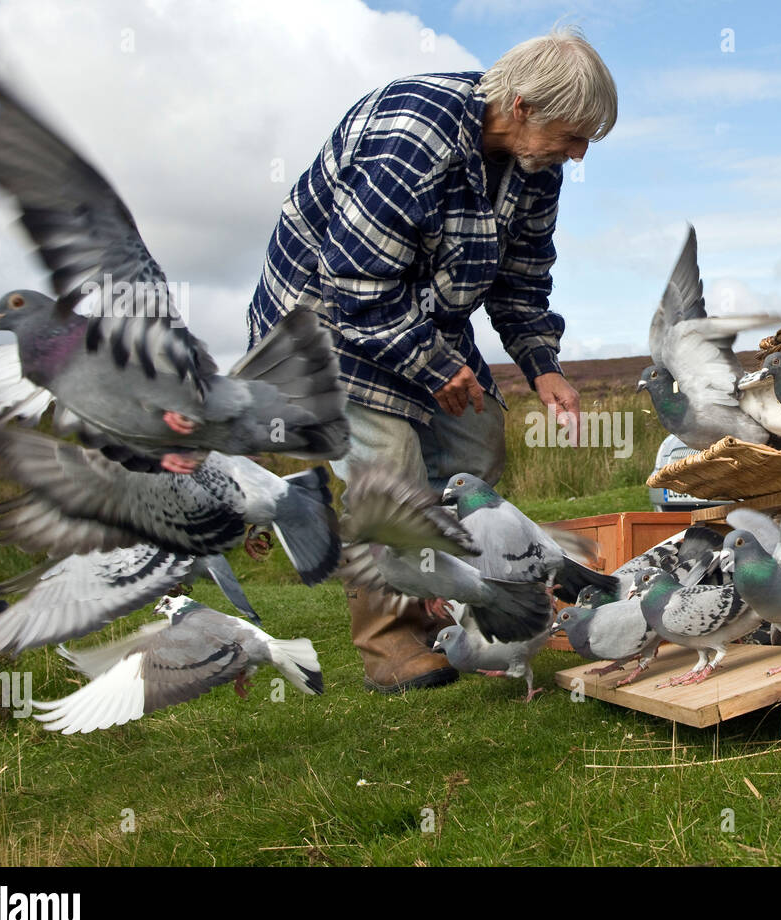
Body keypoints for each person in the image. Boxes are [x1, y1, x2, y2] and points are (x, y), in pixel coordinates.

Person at [246, 27, 617, 693]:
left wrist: (543, 365)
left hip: (420, 323)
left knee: (477, 449)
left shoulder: (538, 170)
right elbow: (356, 286)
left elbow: (521, 281)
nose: (579, 151)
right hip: (322, 331)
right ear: (525, 105)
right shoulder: (411, 136)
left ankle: (466, 607)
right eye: (573, 133)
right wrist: (434, 367)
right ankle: (393, 647)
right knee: (389, 478)